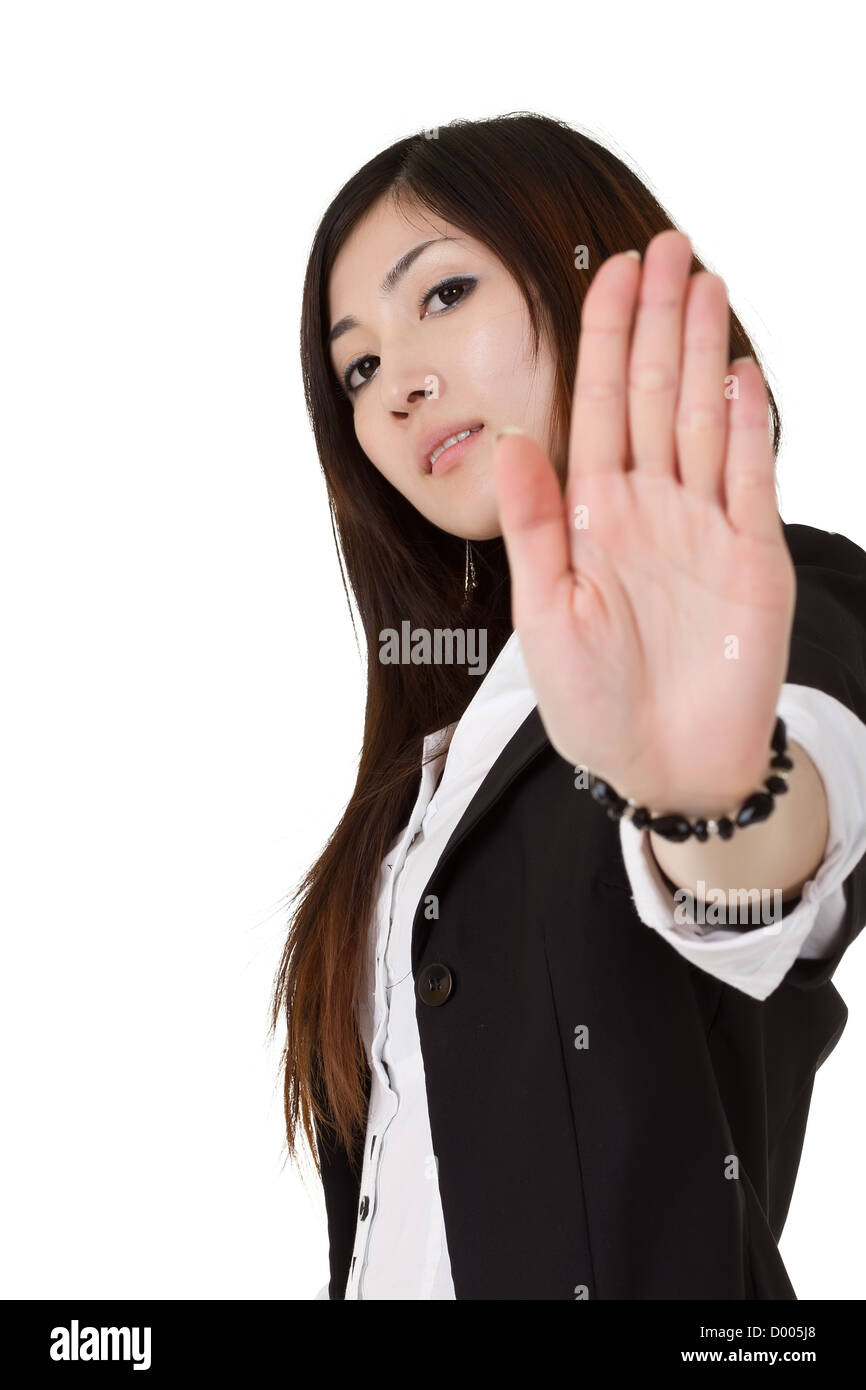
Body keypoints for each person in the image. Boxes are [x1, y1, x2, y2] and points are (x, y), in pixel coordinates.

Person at [269, 113, 866, 1300]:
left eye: (440, 295)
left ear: (579, 269)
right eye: (358, 367)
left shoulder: (783, 603)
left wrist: (703, 797)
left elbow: (782, 857)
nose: (399, 387)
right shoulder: (425, 776)